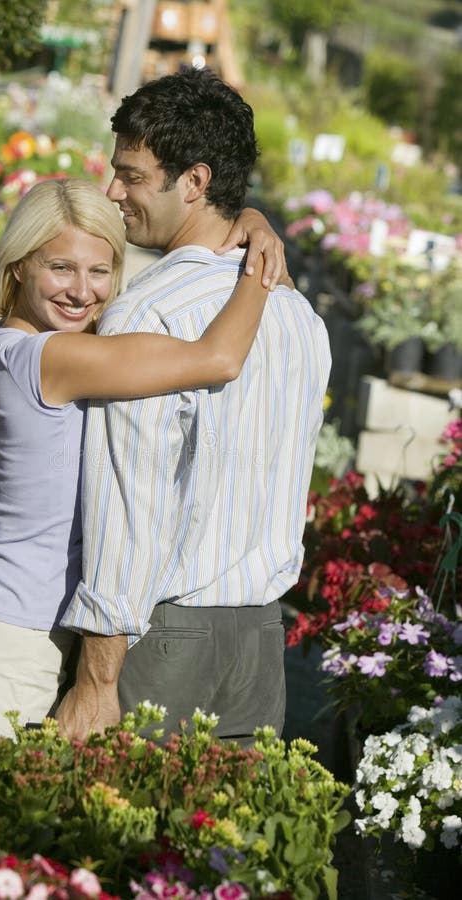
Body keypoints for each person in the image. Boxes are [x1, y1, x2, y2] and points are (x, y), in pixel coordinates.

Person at [0, 175, 286, 897]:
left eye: (101, 270)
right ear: (18, 265)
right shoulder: (50, 360)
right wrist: (257, 262)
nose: (83, 290)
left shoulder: (12, 346)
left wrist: (243, 214)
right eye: (61, 267)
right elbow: (217, 359)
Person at [55, 67, 332, 746]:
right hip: (261, 643)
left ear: (195, 181)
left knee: (112, 845)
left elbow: (129, 504)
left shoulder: (147, 313)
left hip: (162, 636)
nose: (113, 191)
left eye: (132, 175)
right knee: (221, 849)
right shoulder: (298, 315)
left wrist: (95, 682)